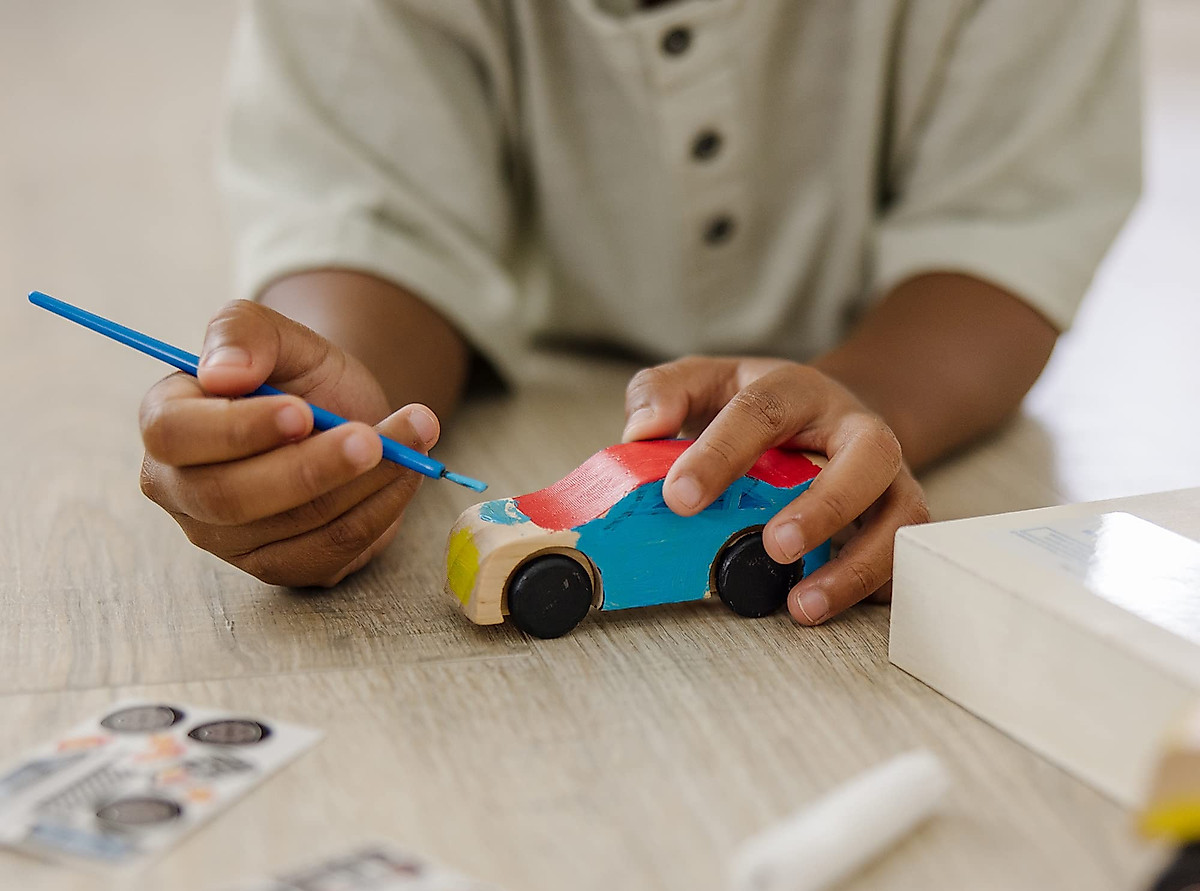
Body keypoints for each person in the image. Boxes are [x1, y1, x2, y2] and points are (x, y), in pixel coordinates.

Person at [137, 0, 1140, 623]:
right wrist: (328, 407)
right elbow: (368, 212)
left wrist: (865, 401)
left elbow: (1008, 222)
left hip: (893, 364)